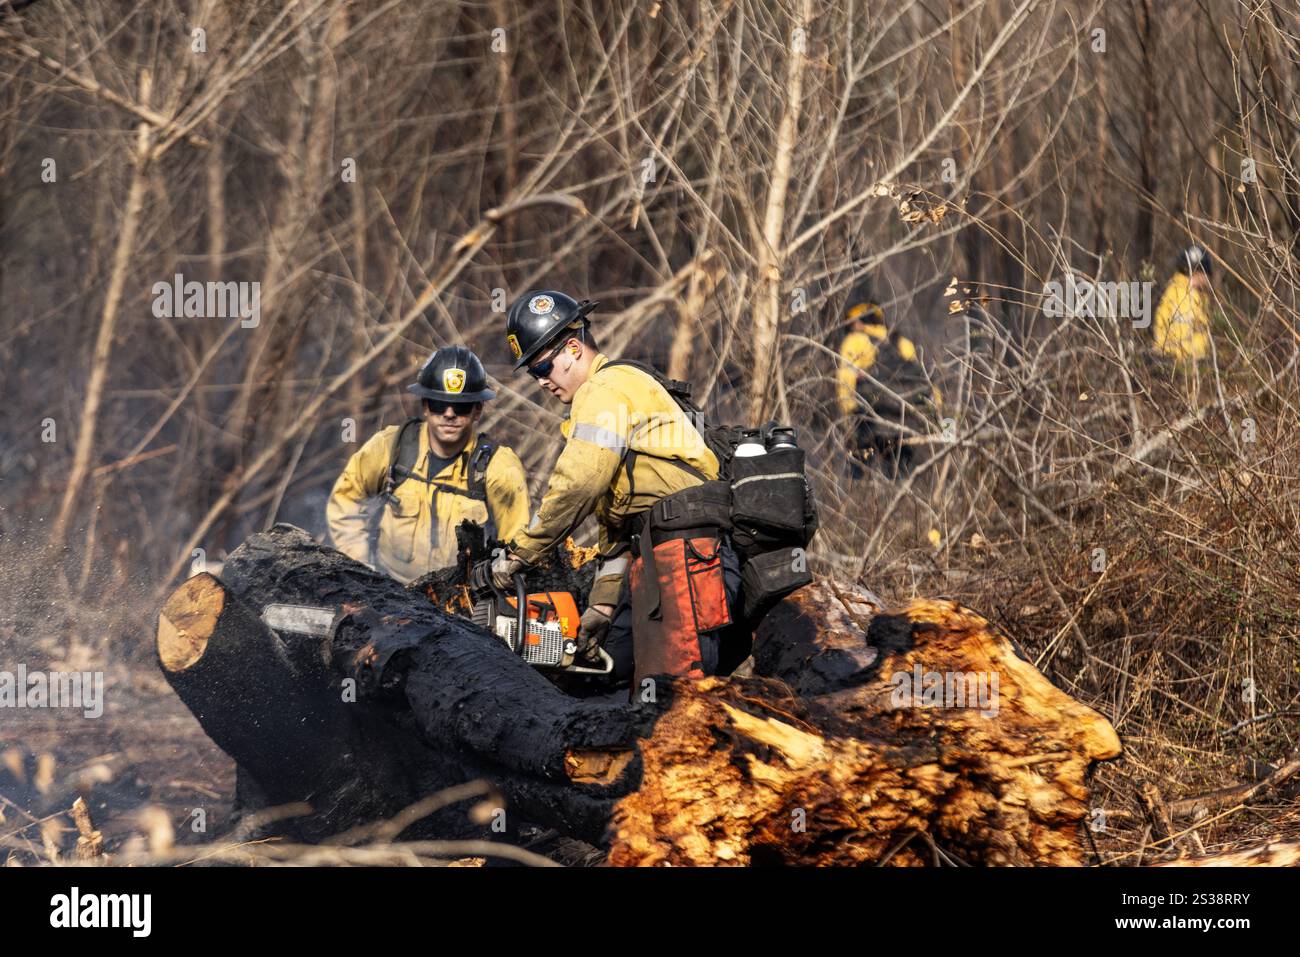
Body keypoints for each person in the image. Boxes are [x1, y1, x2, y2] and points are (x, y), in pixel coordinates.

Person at [491, 290, 739, 689]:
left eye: (543, 367)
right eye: (532, 373)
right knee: (616, 683)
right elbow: (618, 526)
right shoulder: (617, 389)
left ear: (573, 349)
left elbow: (579, 483)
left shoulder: (604, 389)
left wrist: (521, 552)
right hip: (664, 553)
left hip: (685, 554)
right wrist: (603, 607)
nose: (541, 382)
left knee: (676, 697)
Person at [327, 345, 530, 583]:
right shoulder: (390, 447)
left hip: (463, 597)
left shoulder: (499, 466)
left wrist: (494, 582)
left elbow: (517, 542)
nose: (449, 414)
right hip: (389, 590)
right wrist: (363, 570)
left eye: (461, 406)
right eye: (439, 404)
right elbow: (346, 501)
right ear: (425, 406)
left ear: (477, 410)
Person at [835, 282, 936, 478]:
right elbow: (923, 380)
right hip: (903, 423)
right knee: (899, 475)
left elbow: (845, 379)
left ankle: (860, 495)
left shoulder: (855, 341)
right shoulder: (902, 343)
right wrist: (932, 416)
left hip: (868, 421)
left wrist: (848, 413)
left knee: (858, 475)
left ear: (857, 321)